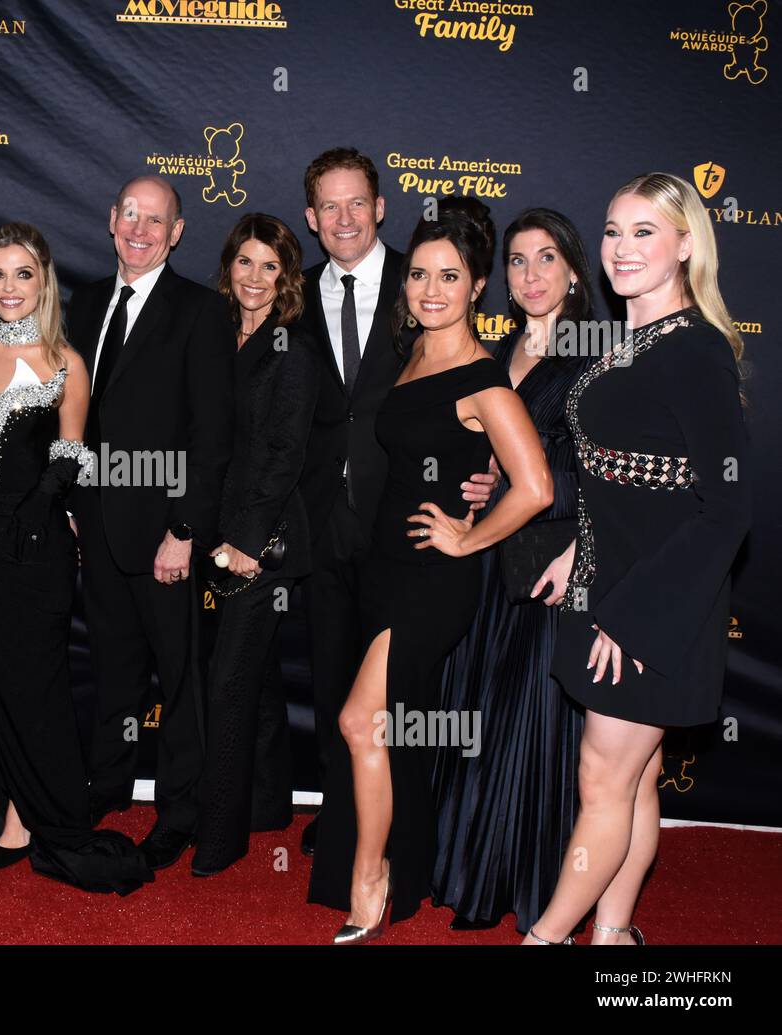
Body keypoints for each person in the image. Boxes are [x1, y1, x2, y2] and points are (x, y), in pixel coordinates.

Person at [307, 197, 553, 943]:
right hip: (386, 562)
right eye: (418, 274)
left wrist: (468, 539)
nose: (431, 289)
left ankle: (371, 877)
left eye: (451, 275)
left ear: (479, 284)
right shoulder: (414, 350)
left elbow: (537, 486)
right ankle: (399, 865)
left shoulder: (483, 376)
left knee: (360, 721)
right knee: (389, 729)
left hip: (432, 576)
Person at [523, 173, 750, 946]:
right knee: (634, 780)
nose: (621, 249)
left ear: (686, 244)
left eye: (643, 232)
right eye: (613, 232)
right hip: (604, 584)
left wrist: (633, 615)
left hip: (653, 611)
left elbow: (726, 509)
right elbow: (625, 483)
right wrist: (573, 549)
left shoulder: (696, 352)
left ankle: (545, 938)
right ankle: (613, 936)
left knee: (603, 783)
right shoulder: (633, 340)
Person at [0, 223, 152, 909]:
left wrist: (44, 508)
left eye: (23, 275)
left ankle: (20, 819)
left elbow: (74, 451)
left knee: (27, 693)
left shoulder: (63, 361)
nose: (9, 288)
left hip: (30, 552)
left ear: (43, 283)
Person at [293, 150, 495, 856]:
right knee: (331, 680)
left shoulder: (429, 280)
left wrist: (489, 470)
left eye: (358, 203)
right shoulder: (294, 292)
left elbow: (484, 392)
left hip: (405, 527)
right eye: (330, 206)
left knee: (403, 697)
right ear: (313, 219)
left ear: (379, 207)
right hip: (321, 519)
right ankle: (342, 811)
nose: (345, 218)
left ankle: (411, 824)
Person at [66, 175, 234, 869]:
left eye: (155, 219)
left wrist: (186, 530)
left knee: (180, 678)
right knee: (114, 671)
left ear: (177, 231)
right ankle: (107, 784)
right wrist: (71, 502)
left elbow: (213, 432)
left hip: (166, 533)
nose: (139, 229)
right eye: (129, 214)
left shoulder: (199, 311)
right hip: (97, 526)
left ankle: (180, 811)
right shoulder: (81, 301)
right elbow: (68, 412)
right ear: (111, 220)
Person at [432, 208, 592, 932]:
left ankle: (523, 876)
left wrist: (523, 484)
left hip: (555, 561)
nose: (531, 275)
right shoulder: (496, 352)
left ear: (574, 271)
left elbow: (608, 472)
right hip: (496, 554)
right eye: (519, 261)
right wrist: (481, 483)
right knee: (482, 714)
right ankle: (467, 866)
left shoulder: (597, 353)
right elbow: (494, 456)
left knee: (533, 720)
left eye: (546, 258)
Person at [191, 214, 317, 876]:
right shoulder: (214, 336)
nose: (256, 278)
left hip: (265, 546)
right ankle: (267, 803)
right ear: (229, 266)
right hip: (215, 533)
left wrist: (246, 540)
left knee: (229, 683)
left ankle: (219, 836)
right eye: (246, 262)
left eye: (271, 266)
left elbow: (284, 455)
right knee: (259, 681)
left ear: (287, 277)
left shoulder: (290, 351)